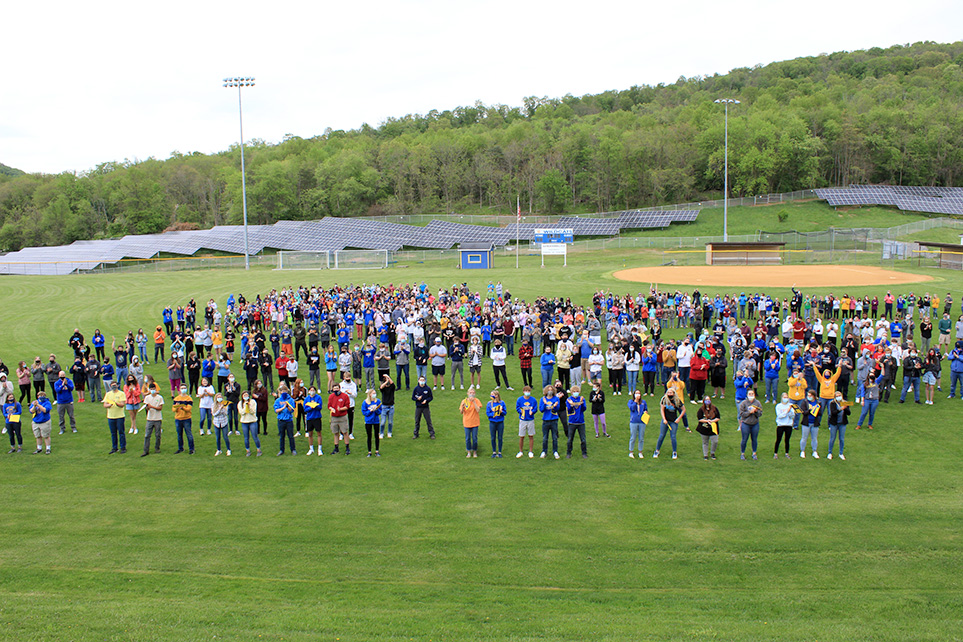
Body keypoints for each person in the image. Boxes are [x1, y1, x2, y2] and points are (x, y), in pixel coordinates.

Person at [653, 388, 684, 459]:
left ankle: (674, 452)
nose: (669, 394)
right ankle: (657, 450)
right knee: (661, 435)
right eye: (668, 392)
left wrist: (679, 418)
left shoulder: (677, 400)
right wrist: (664, 419)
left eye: (671, 393)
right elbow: (662, 410)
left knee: (673, 437)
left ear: (673, 393)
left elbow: (683, 410)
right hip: (665, 421)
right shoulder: (664, 399)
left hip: (673, 422)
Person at [102, 381, 127, 454]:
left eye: (115, 385)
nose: (113, 387)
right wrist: (109, 405)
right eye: (112, 386)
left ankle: (123, 447)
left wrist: (116, 403)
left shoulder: (121, 393)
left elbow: (122, 404)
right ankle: (114, 447)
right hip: (111, 416)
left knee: (121, 432)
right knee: (113, 433)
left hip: (120, 416)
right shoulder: (108, 394)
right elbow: (105, 405)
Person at [737, 390, 762, 461]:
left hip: (755, 424)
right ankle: (742, 453)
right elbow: (741, 414)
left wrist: (756, 411)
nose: (751, 395)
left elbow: (760, 414)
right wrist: (749, 412)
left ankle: (754, 453)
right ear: (747, 395)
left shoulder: (757, 403)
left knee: (754, 439)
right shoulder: (743, 403)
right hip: (745, 424)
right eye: (749, 394)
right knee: (744, 439)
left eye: (752, 394)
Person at [328, 382, 351, 454]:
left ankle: (347, 447)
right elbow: (329, 405)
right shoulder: (331, 396)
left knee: (345, 432)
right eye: (334, 389)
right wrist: (331, 409)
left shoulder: (344, 396)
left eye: (337, 388)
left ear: (339, 388)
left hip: (342, 417)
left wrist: (340, 409)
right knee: (335, 432)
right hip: (334, 417)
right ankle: (336, 447)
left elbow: (347, 406)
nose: (336, 390)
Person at [826, 392, 850, 461]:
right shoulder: (832, 403)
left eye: (839, 396)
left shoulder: (844, 402)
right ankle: (830, 452)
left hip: (842, 423)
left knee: (841, 439)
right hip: (834, 423)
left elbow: (849, 413)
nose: (838, 397)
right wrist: (841, 409)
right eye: (837, 396)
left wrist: (846, 408)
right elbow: (833, 412)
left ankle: (841, 453)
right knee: (832, 438)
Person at [538, 385, 560, 460]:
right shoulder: (542, 399)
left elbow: (557, 409)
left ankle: (555, 451)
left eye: (551, 389)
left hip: (554, 420)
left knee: (554, 437)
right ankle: (544, 451)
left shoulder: (556, 399)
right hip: (545, 420)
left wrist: (555, 406)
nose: (550, 391)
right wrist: (545, 403)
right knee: (545, 437)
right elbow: (541, 410)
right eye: (548, 390)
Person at [459, 387, 482, 458]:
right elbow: (461, 412)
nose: (471, 394)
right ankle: (468, 451)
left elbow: (478, 410)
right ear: (467, 393)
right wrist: (462, 408)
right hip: (467, 422)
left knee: (474, 438)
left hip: (475, 422)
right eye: (470, 393)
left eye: (473, 393)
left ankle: (475, 451)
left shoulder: (477, 400)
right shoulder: (464, 401)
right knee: (467, 438)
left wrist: (474, 402)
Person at [172, 385, 196, 454]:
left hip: (186, 419)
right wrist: (177, 407)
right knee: (179, 434)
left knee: (189, 434)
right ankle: (180, 448)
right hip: (178, 419)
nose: (183, 390)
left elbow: (189, 409)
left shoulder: (189, 399)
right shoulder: (176, 398)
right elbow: (173, 409)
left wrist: (183, 408)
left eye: (184, 388)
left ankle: (191, 449)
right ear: (179, 389)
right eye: (182, 388)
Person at [141, 382, 163, 456]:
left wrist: (152, 407)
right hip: (150, 418)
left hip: (157, 418)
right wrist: (147, 407)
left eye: (153, 389)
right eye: (151, 389)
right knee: (147, 435)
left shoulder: (159, 398)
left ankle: (157, 448)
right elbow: (146, 407)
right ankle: (145, 450)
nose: (152, 390)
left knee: (158, 434)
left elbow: (160, 408)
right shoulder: (147, 398)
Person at [274, 384, 297, 456]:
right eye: (282, 390)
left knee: (291, 436)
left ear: (287, 391)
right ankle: (281, 450)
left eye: (285, 390)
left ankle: (293, 449)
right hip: (281, 420)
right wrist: (283, 407)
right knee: (282, 436)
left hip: (289, 420)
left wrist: (288, 407)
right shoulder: (278, 400)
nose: (284, 392)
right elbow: (276, 410)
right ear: (280, 392)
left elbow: (292, 410)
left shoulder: (290, 400)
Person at [515, 386, 537, 458]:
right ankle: (520, 451)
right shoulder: (520, 399)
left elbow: (535, 408)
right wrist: (520, 411)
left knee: (531, 436)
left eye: (529, 391)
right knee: (521, 436)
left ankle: (531, 451)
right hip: (523, 420)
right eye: (526, 391)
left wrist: (532, 412)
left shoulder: (533, 400)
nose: (527, 392)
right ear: (523, 391)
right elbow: (517, 408)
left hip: (530, 420)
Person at [53, 370, 77, 435]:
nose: (62, 376)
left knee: (71, 415)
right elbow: (57, 390)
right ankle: (62, 428)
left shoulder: (69, 381)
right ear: (59, 376)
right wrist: (62, 385)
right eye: (61, 375)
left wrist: (67, 384)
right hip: (61, 402)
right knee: (61, 416)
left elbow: (71, 388)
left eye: (63, 375)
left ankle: (73, 427)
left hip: (69, 401)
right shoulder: (57, 383)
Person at [696, 396, 720, 460]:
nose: (708, 401)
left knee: (715, 441)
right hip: (704, 428)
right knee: (705, 442)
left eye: (709, 400)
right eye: (706, 400)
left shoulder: (714, 408)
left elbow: (718, 417)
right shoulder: (701, 409)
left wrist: (712, 421)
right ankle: (705, 455)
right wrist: (707, 421)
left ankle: (712, 453)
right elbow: (699, 419)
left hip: (713, 428)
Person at [239, 389, 262, 457]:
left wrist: (249, 407)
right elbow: (242, 413)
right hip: (244, 422)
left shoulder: (253, 402)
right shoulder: (240, 403)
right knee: (246, 437)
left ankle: (259, 450)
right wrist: (245, 406)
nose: (246, 396)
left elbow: (253, 412)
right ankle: (248, 450)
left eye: (247, 395)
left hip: (252, 421)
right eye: (244, 395)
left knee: (254, 436)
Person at [799, 389, 821, 459]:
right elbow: (803, 412)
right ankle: (802, 451)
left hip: (815, 423)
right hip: (806, 423)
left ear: (814, 396)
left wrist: (816, 410)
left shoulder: (818, 403)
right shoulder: (805, 402)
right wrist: (810, 410)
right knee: (804, 438)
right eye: (808, 395)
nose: (808, 397)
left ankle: (814, 451)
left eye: (810, 395)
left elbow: (820, 413)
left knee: (814, 438)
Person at [30, 390, 53, 454]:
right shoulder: (34, 402)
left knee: (46, 436)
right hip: (36, 422)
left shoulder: (47, 403)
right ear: (38, 396)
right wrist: (34, 406)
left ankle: (48, 448)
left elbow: (45, 410)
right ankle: (39, 448)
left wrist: (38, 405)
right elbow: (31, 411)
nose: (42, 397)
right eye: (40, 395)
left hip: (45, 422)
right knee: (38, 436)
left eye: (43, 395)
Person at [303, 385, 324, 456]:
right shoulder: (306, 399)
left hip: (317, 417)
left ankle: (319, 449)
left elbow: (320, 407)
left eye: (313, 390)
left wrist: (315, 405)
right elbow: (305, 409)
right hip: (309, 418)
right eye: (311, 390)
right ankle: (311, 448)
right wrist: (311, 407)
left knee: (319, 433)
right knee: (310, 434)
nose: (312, 391)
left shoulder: (318, 397)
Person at [627, 389, 648, 458]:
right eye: (636, 393)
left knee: (641, 437)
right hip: (634, 421)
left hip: (642, 422)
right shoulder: (631, 402)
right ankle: (631, 451)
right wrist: (636, 401)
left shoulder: (643, 402)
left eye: (639, 393)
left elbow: (645, 409)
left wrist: (645, 412)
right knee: (633, 437)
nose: (638, 395)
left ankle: (640, 451)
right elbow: (632, 408)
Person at [361, 388, 382, 457]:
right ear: (369, 394)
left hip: (376, 421)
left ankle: (377, 450)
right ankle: (369, 451)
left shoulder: (378, 401)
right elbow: (364, 413)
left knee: (376, 435)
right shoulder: (365, 402)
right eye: (373, 393)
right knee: (369, 436)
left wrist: (375, 410)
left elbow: (380, 411)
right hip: (368, 421)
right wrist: (370, 411)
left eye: (375, 393)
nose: (374, 395)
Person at [486, 390, 507, 458]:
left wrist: (501, 412)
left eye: (493, 394)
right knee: (493, 437)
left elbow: (505, 413)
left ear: (497, 395)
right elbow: (488, 413)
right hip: (492, 422)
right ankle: (494, 451)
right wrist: (493, 413)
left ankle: (500, 451)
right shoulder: (489, 404)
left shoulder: (502, 403)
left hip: (500, 422)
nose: (491, 396)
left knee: (500, 437)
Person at [774, 393, 794, 459]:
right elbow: (779, 416)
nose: (786, 398)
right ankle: (775, 453)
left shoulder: (790, 405)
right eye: (784, 397)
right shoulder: (778, 406)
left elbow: (792, 416)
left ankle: (787, 453)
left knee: (787, 440)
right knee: (778, 439)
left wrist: (790, 412)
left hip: (788, 425)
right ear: (782, 398)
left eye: (787, 397)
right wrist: (786, 412)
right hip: (781, 425)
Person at [379, 374, 395, 439]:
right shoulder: (383, 389)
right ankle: (381, 433)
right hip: (384, 406)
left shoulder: (391, 388)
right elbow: (381, 387)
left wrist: (388, 377)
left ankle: (389, 432)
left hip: (391, 406)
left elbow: (393, 384)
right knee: (382, 422)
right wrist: (385, 381)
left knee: (390, 422)